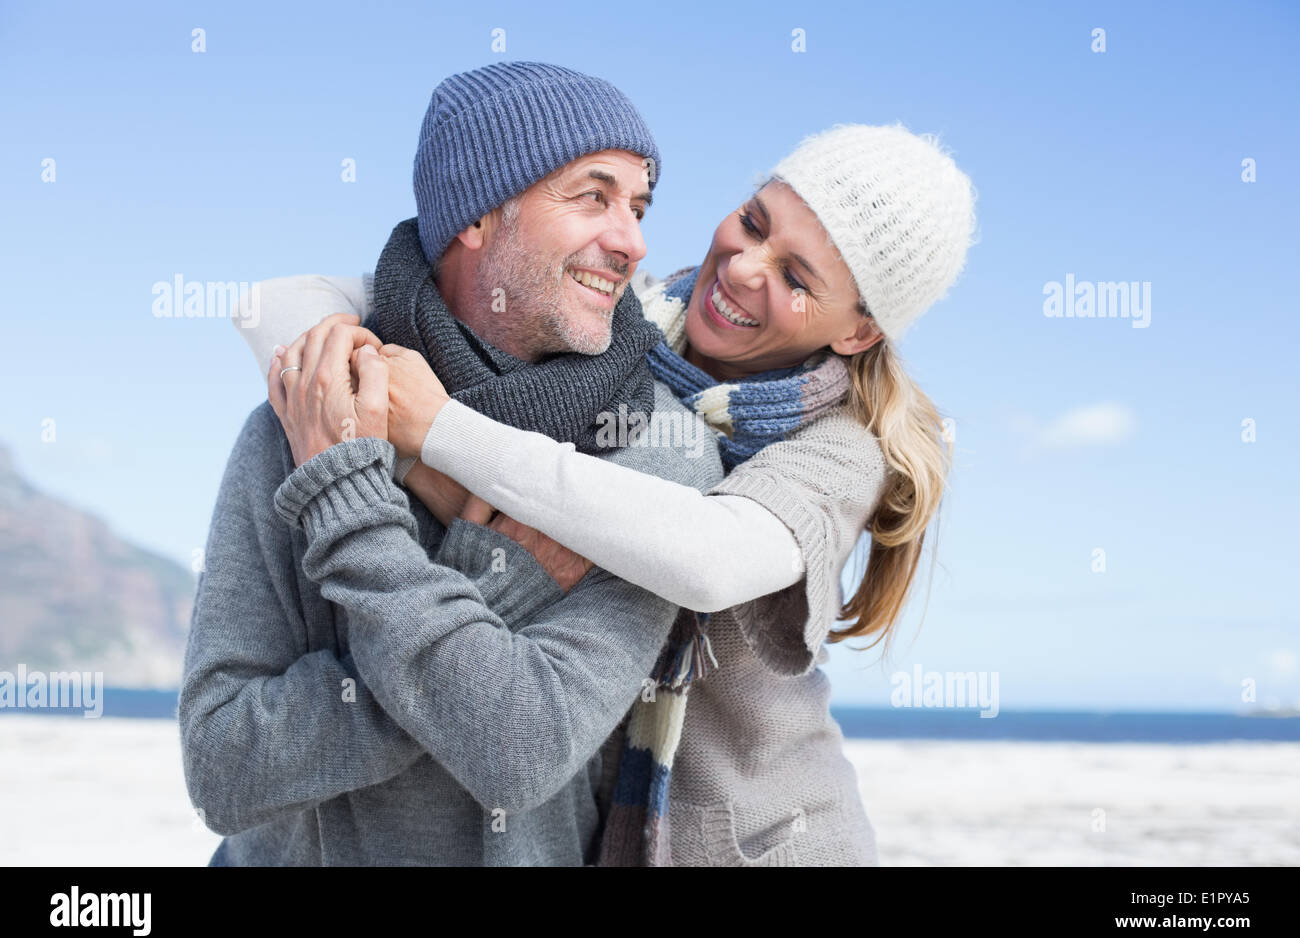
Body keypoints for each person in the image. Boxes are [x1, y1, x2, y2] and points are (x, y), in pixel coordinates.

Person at [250, 122, 977, 865]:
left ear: (858, 333)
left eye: (796, 278)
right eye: (754, 223)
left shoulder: (839, 450)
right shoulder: (624, 325)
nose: (743, 268)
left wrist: (439, 436)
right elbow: (276, 305)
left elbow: (705, 558)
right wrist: (344, 364)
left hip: (756, 844)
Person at [178, 61, 722, 866]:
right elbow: (223, 769)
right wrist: (497, 588)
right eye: (592, 196)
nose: (632, 242)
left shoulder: (652, 459)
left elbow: (518, 750)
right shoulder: (309, 414)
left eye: (638, 207)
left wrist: (350, 514)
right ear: (477, 215)